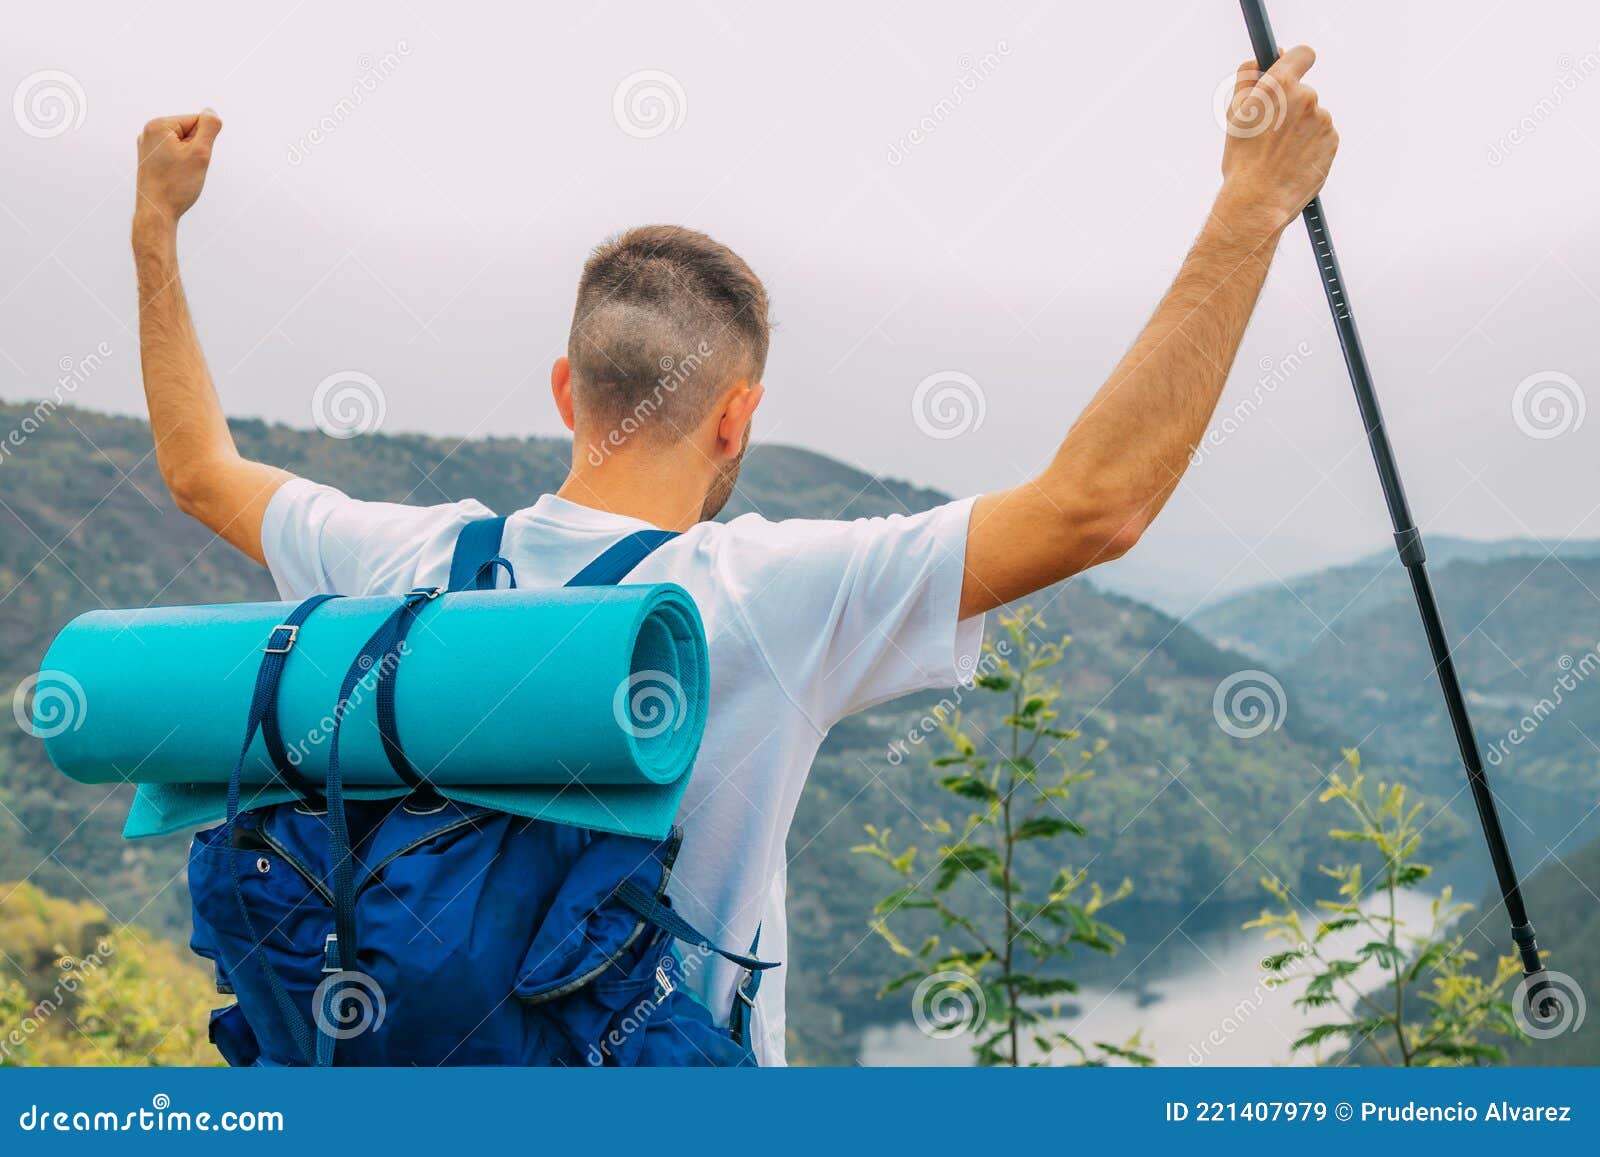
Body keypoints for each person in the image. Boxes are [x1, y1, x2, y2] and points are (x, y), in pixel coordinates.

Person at [129, 49, 1336, 1065]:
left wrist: (156, 224)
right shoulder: (757, 597)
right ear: (734, 415)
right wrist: (1250, 207)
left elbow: (194, 470)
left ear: (566, 387)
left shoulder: (400, 558)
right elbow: (1094, 508)